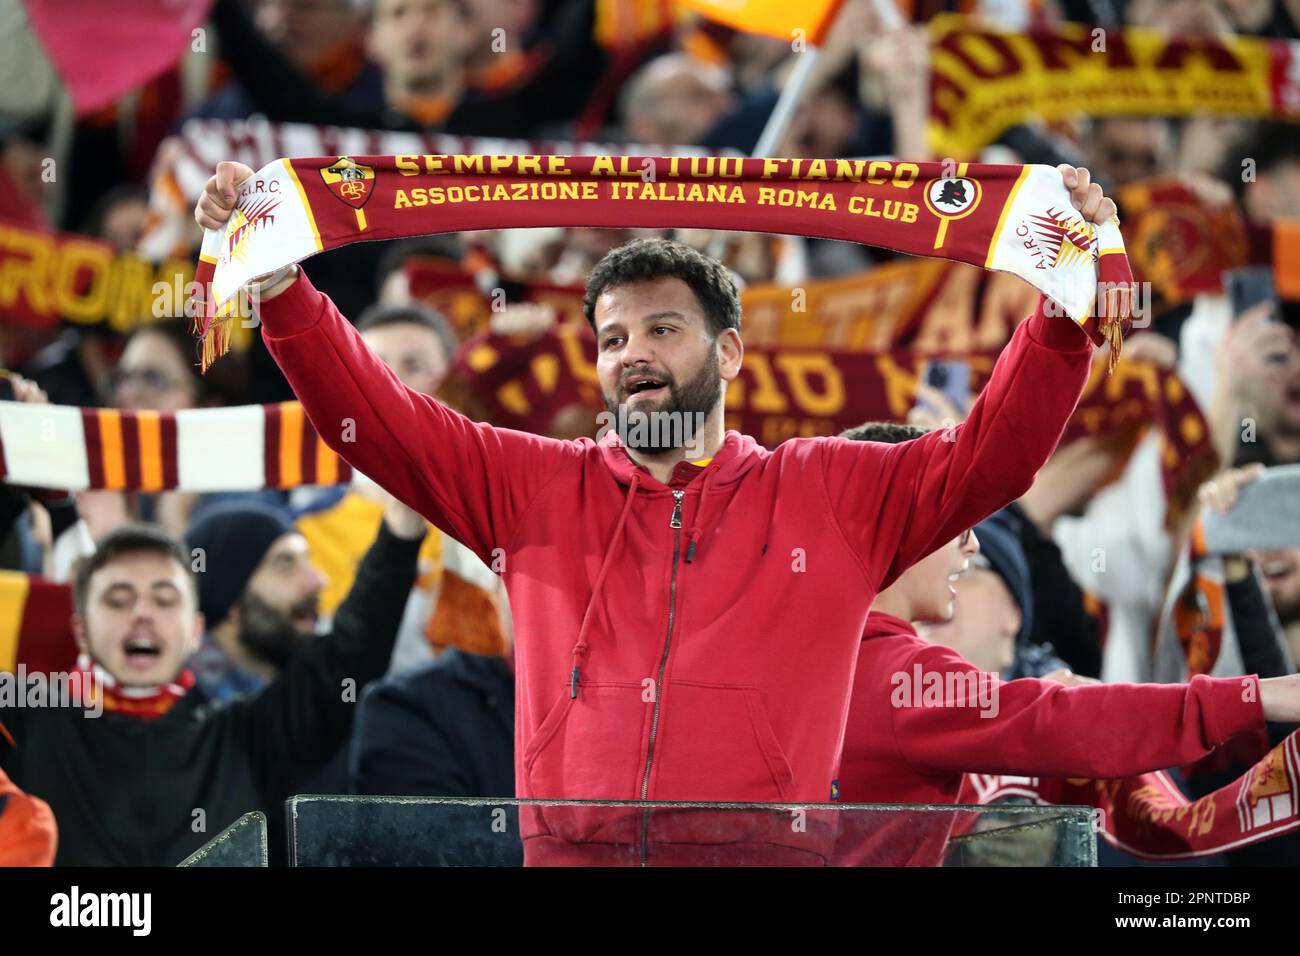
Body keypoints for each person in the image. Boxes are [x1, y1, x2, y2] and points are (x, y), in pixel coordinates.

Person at [200, 159, 1116, 865]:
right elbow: (379, 426)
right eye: (612, 337)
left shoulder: (831, 488)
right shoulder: (532, 485)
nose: (631, 353)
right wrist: (281, 289)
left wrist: (1062, 314)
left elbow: (996, 453)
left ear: (728, 352)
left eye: (661, 330)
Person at [834, 422, 1300, 866]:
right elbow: (1058, 722)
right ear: (893, 529)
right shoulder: (900, 677)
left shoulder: (800, 650)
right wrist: (1258, 695)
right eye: (951, 520)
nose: (970, 544)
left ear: (1015, 614)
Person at [0, 499, 425, 865]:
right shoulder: (25, 721)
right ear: (82, 632)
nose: (142, 613)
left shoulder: (251, 738)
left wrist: (402, 530)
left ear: (196, 630)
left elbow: (352, 651)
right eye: (118, 599)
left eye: (165, 598)